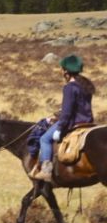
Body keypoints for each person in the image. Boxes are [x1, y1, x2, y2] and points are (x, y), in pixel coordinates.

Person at [35, 54, 95, 182]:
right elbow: (77, 107)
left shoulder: (69, 87)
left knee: (44, 139)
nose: (61, 72)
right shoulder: (85, 85)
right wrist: (57, 115)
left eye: (62, 69)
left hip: (74, 123)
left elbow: (67, 113)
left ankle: (46, 171)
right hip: (88, 122)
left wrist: (60, 127)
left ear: (66, 71)